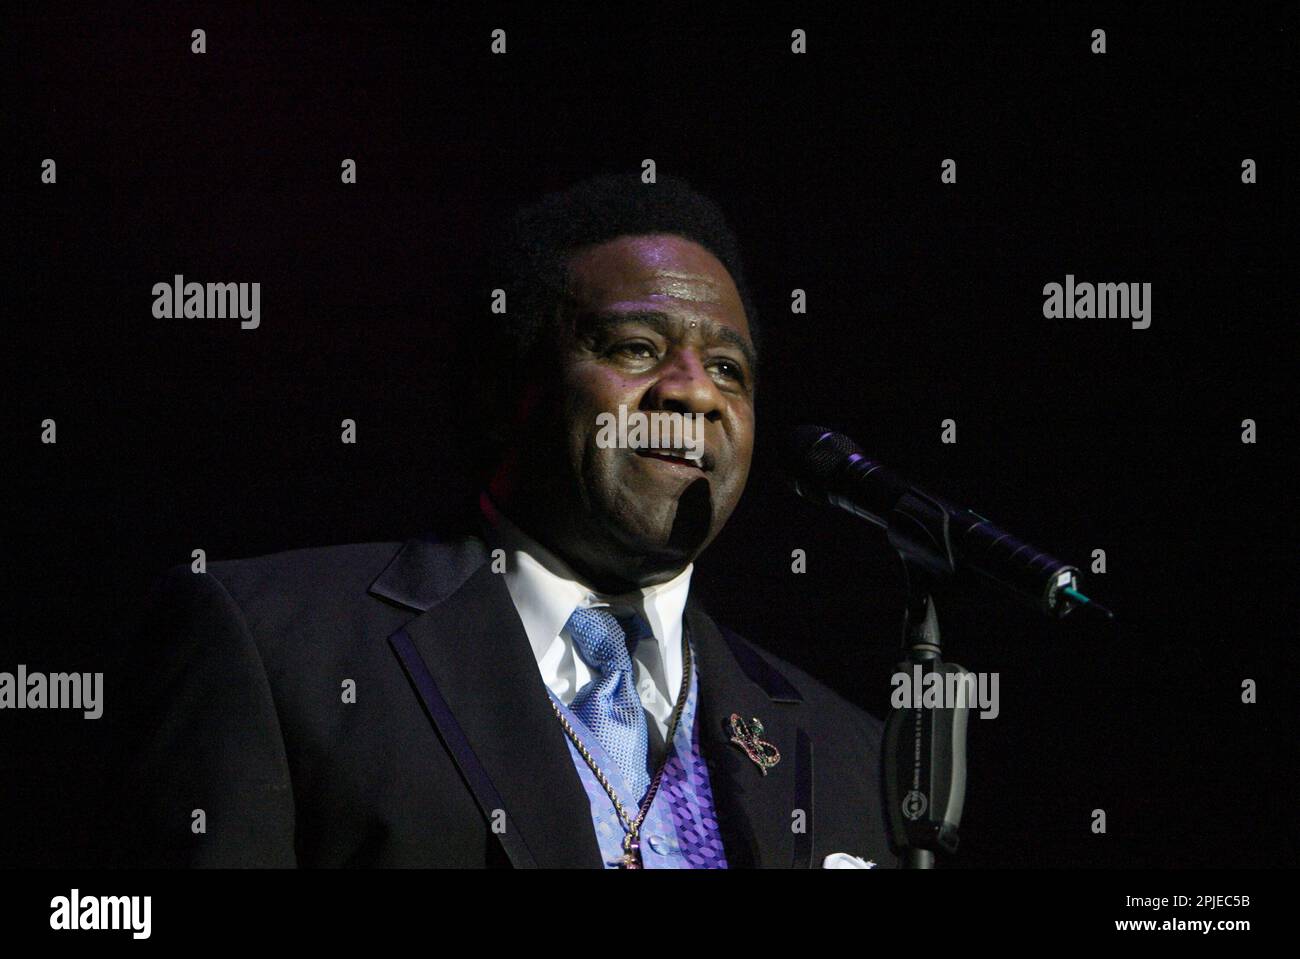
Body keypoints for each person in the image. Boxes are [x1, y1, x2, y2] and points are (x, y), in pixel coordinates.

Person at [118, 173, 895, 868]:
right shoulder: (277, 651)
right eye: (636, 347)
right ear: (506, 392)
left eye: (730, 369)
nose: (695, 394)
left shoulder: (845, 753)